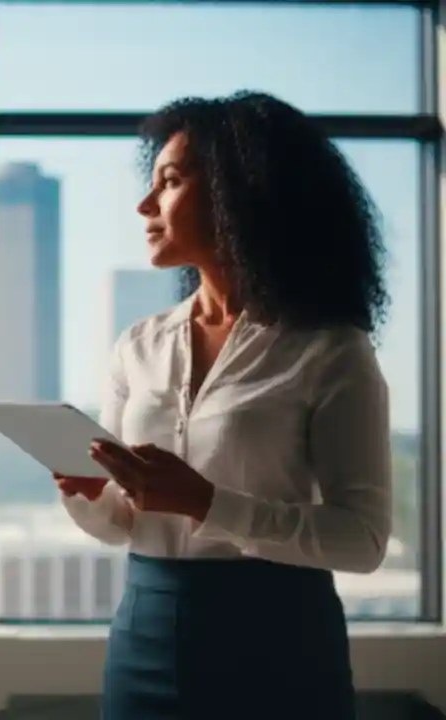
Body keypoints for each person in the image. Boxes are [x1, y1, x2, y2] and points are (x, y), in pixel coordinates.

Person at [55, 91, 393, 720]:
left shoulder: (330, 351)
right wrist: (87, 495)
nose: (144, 204)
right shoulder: (138, 345)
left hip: (278, 641)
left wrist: (207, 504)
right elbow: (123, 523)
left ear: (240, 193)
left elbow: (363, 540)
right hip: (145, 628)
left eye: (171, 181)